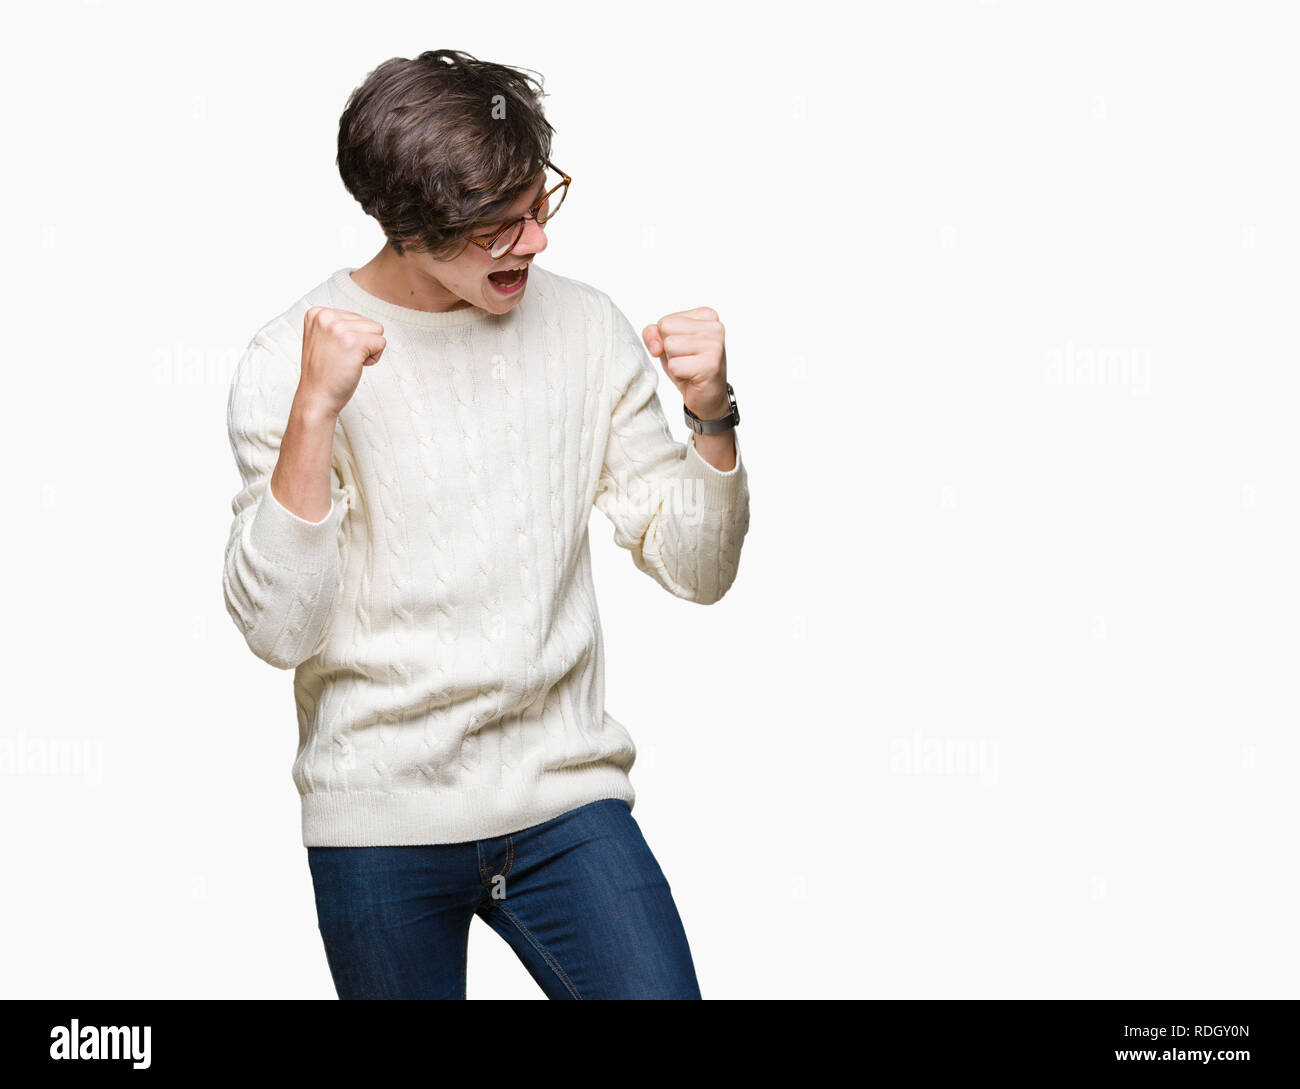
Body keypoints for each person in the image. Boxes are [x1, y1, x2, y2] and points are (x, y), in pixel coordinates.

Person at [221, 49, 749, 1000]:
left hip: (563, 796)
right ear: (408, 226)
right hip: (380, 816)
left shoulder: (587, 329)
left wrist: (710, 413)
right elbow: (277, 631)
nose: (534, 242)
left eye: (539, 204)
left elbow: (696, 569)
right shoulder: (288, 359)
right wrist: (314, 414)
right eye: (498, 227)